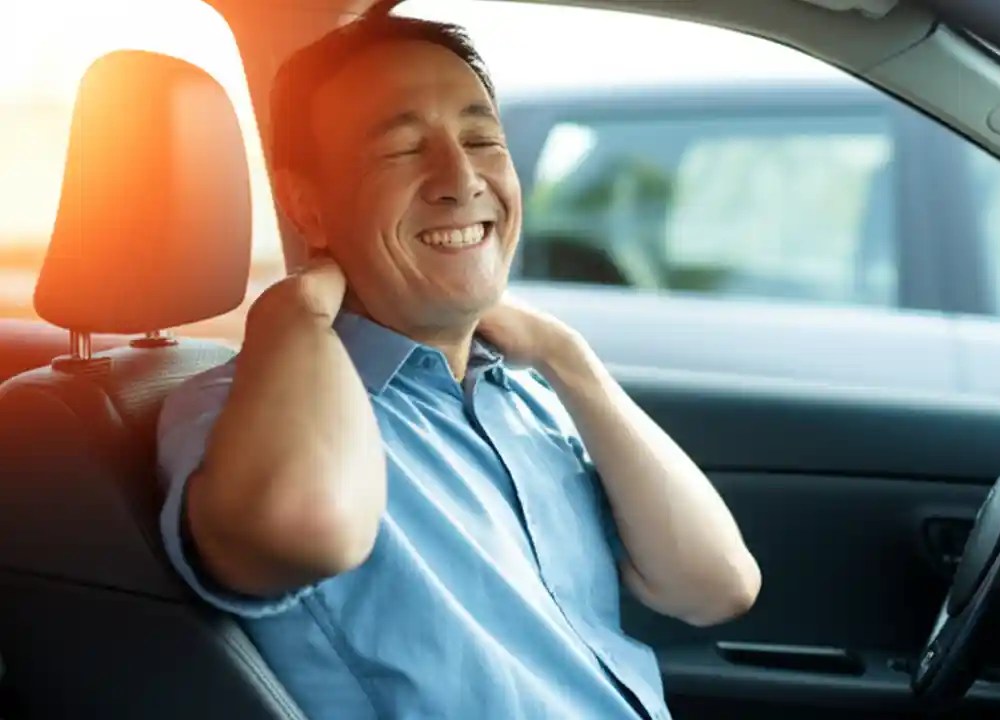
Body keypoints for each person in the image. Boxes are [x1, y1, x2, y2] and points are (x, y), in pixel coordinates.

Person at [155, 7, 760, 720]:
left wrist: (571, 362)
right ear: (306, 206)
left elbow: (714, 585)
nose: (461, 177)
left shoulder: (517, 396)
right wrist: (291, 311)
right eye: (403, 150)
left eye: (482, 139)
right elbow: (298, 525)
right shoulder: (236, 409)